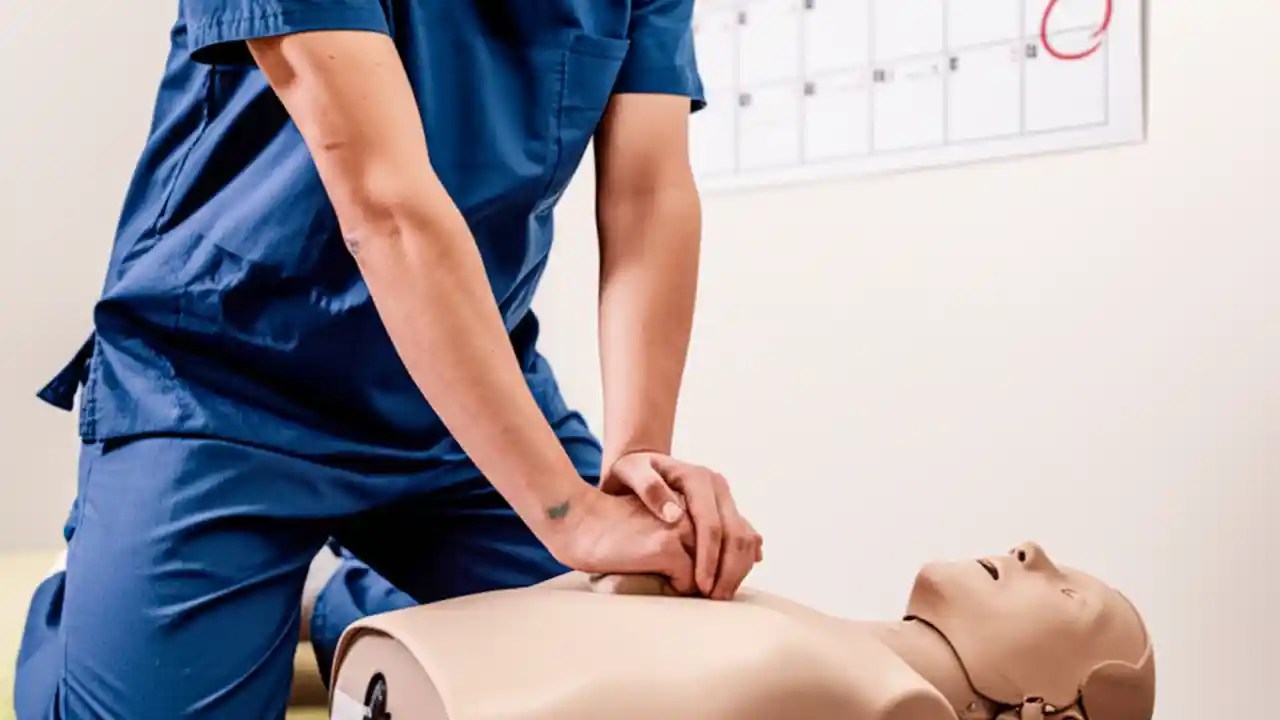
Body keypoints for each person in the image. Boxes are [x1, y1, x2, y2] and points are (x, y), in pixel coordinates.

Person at [16, 2, 763, 717]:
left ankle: (360, 599)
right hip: (222, 384)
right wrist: (569, 516)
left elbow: (648, 193)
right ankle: (84, 597)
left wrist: (637, 464)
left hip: (464, 407)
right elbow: (386, 205)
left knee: (651, 671)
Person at [327, 542, 1156, 720]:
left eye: (1068, 592)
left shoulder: (887, 701)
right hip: (400, 659)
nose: (1031, 551)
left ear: (1054, 710)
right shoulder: (837, 649)